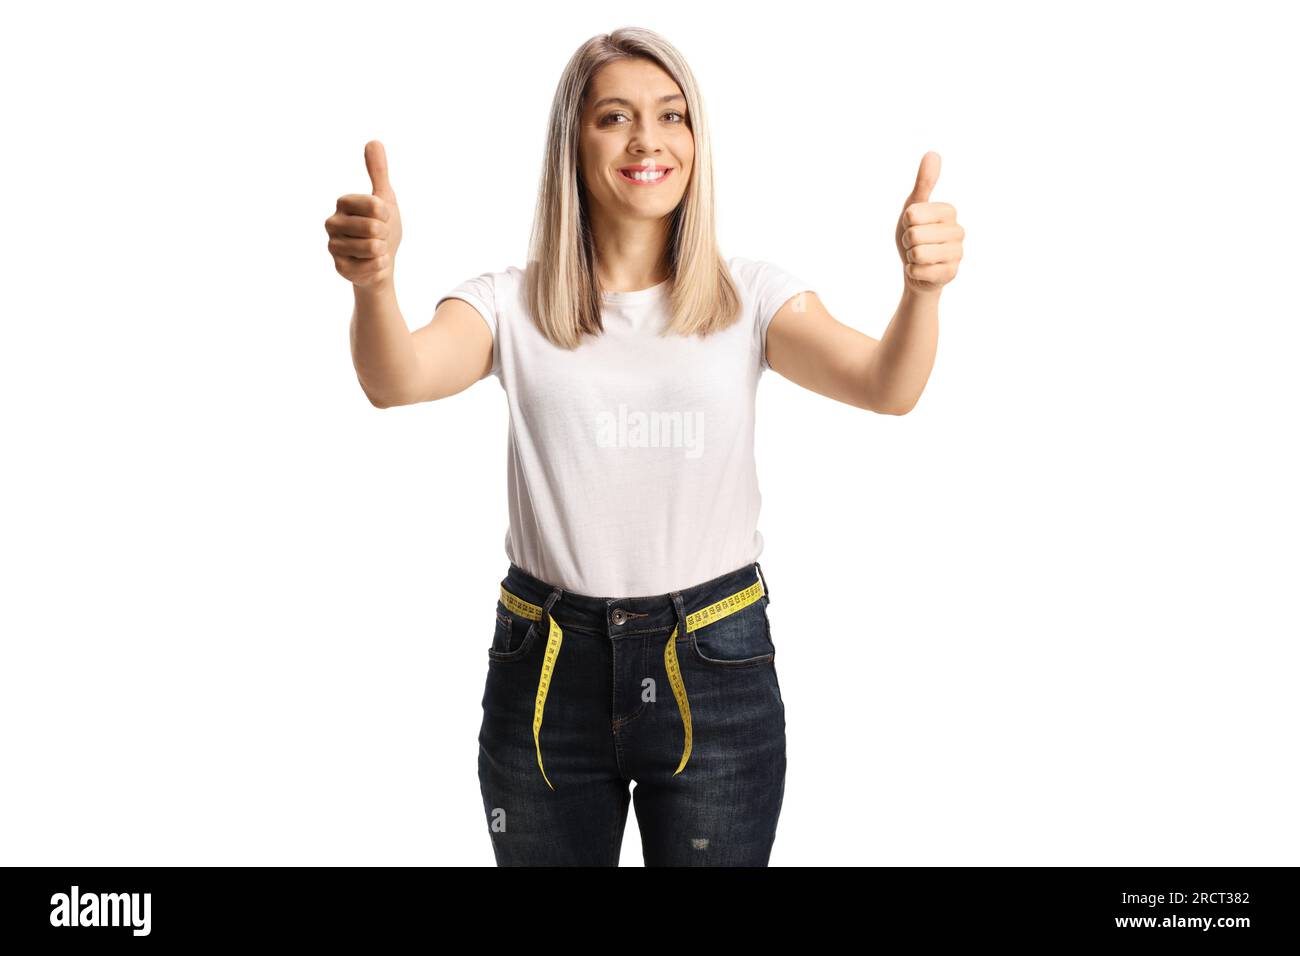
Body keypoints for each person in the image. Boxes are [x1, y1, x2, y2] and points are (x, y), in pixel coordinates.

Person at [326, 26, 963, 867]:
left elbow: (889, 385)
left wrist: (922, 291)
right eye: (614, 117)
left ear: (696, 141)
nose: (647, 140)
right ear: (573, 142)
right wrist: (375, 287)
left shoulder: (752, 299)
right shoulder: (509, 307)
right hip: (547, 667)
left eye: (671, 115)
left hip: (714, 662)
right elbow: (396, 376)